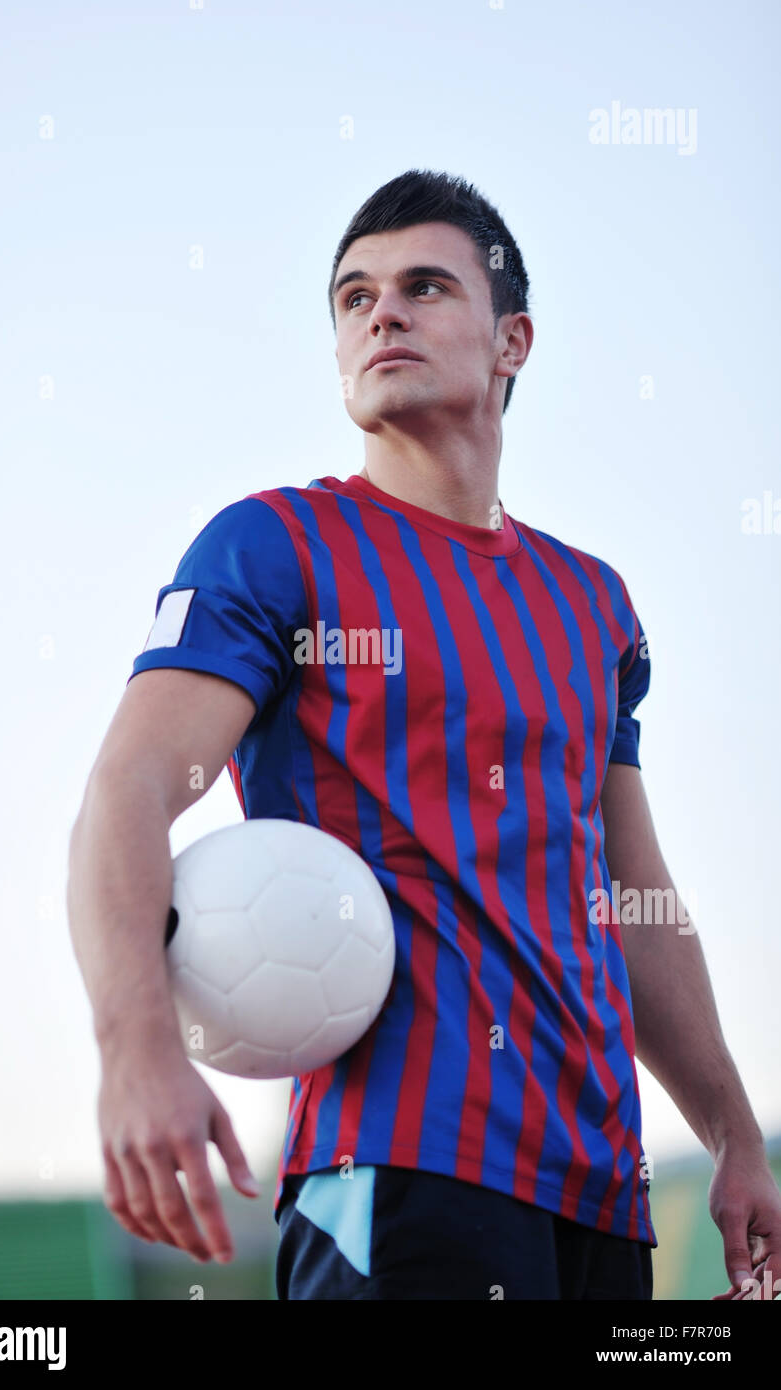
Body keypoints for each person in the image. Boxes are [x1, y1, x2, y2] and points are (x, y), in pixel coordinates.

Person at [67, 169, 781, 1301]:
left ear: (512, 340)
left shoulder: (593, 604)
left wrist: (735, 1133)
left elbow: (631, 892)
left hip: (601, 1192)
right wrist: (134, 1046)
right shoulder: (275, 546)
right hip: (397, 1170)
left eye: (421, 286)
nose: (379, 313)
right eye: (353, 298)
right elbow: (129, 788)